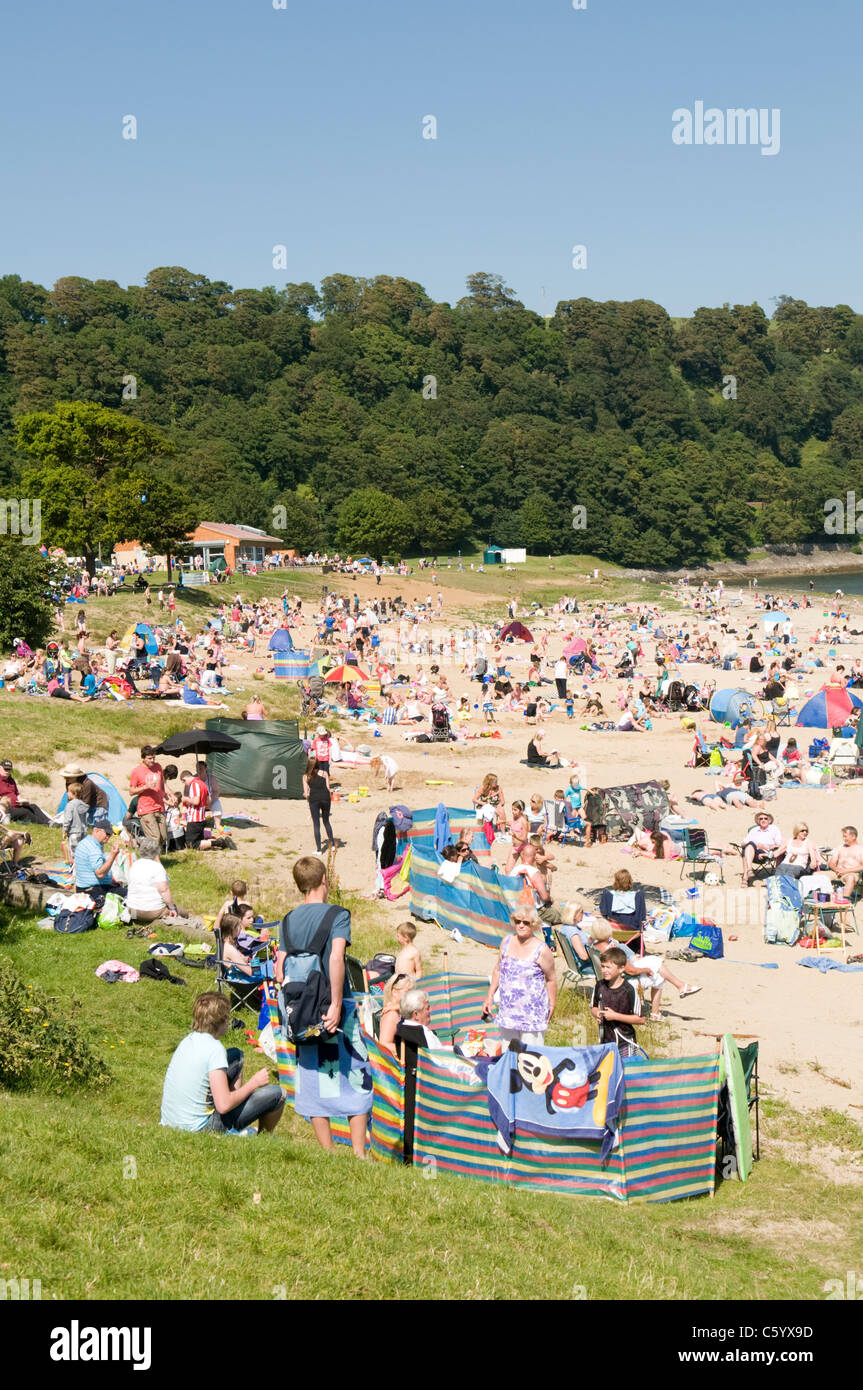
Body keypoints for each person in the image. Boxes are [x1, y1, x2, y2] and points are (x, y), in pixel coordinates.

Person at [274, 856, 372, 1157]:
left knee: (313, 1077)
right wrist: (336, 1003)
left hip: (302, 1012)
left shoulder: (288, 920)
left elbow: (280, 969)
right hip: (334, 1005)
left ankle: (328, 1154)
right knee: (355, 1072)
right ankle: (358, 1155)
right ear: (324, 881)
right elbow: (336, 958)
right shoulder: (337, 915)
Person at [160, 991, 284, 1135]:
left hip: (171, 1122)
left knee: (236, 1055)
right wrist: (253, 1083)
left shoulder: (188, 1040)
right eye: (227, 1017)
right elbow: (223, 1105)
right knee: (278, 1093)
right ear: (220, 1021)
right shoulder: (215, 1049)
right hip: (200, 1129)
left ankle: (236, 1105)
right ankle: (263, 1137)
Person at [589, 921, 701, 1021]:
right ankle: (658, 1009)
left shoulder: (593, 946)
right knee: (658, 974)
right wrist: (646, 969)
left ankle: (679, 988)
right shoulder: (611, 950)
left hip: (607, 978)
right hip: (622, 981)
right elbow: (630, 971)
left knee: (655, 966)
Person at [483, 909, 556, 1046]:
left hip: (532, 1015)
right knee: (509, 1055)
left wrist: (552, 1004)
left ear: (533, 925)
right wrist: (490, 996)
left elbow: (551, 979)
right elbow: (498, 969)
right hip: (508, 1012)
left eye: (526, 922)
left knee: (530, 1058)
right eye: (517, 922)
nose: (521, 925)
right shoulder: (506, 942)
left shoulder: (542, 950)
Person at [591, 948, 644, 1050]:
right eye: (602, 966)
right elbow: (593, 1007)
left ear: (621, 969)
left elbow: (641, 1019)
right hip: (604, 1042)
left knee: (625, 1066)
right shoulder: (600, 985)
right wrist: (597, 1013)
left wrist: (615, 1016)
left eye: (608, 967)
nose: (604, 970)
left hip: (625, 1042)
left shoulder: (629, 990)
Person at [125, 837, 187, 922]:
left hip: (132, 911)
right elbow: (163, 890)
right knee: (181, 911)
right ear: (157, 851)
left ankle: (137, 920)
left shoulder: (134, 865)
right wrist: (172, 907)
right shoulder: (157, 867)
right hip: (150, 912)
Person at [73, 819, 127, 898]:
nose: (108, 837)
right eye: (107, 833)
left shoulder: (85, 842)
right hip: (93, 890)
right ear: (97, 831)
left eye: (110, 835)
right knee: (130, 894)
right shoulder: (93, 848)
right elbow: (100, 874)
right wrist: (113, 856)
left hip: (83, 888)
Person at [512, 844, 563, 926]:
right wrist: (550, 899)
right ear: (534, 857)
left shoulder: (514, 871)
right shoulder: (533, 872)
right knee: (561, 918)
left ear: (522, 855)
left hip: (517, 908)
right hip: (534, 910)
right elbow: (544, 897)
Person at [128, 746, 167, 848]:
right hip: (146, 808)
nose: (152, 760)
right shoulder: (137, 771)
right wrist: (145, 787)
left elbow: (162, 784)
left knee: (163, 837)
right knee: (155, 838)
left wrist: (169, 795)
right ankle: (152, 860)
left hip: (159, 806)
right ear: (143, 758)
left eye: (154, 758)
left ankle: (142, 846)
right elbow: (131, 791)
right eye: (150, 758)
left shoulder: (158, 767)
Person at [741, 812, 786, 887]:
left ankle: (745, 878)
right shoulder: (754, 830)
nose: (763, 820)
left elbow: (779, 844)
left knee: (746, 851)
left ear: (769, 820)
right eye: (761, 819)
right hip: (752, 853)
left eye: (765, 818)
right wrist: (753, 845)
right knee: (748, 846)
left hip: (766, 854)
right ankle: (749, 870)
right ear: (758, 821)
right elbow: (743, 843)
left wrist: (765, 847)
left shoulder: (774, 829)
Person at [0, 759, 51, 825]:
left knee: (33, 806)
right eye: (5, 769)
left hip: (16, 805)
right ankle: (45, 824)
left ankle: (49, 821)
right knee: (25, 811)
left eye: (9, 770)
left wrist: (22, 800)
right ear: (0, 768)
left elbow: (17, 794)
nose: (7, 772)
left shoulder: (11, 780)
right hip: (6, 809)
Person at [598, 869, 647, 935]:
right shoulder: (638, 896)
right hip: (632, 934)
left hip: (613, 932)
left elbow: (603, 914)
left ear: (616, 881)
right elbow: (643, 917)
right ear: (630, 881)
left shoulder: (608, 895)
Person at [303, 756, 334, 854]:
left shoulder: (306, 776)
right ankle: (332, 845)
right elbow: (328, 788)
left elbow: (306, 793)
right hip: (325, 798)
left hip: (314, 799)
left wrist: (308, 800)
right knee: (326, 821)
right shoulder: (324, 773)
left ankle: (319, 850)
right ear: (318, 763)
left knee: (316, 824)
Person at [378, 973, 412, 1050]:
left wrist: (400, 1007)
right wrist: (409, 1051)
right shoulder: (391, 1014)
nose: (412, 995)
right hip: (400, 1059)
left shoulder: (399, 1010)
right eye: (408, 991)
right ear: (394, 992)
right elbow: (385, 1044)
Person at [828, 825, 863, 896]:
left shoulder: (860, 850)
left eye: (845, 836)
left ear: (853, 837)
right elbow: (832, 863)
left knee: (850, 878)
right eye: (843, 836)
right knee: (817, 874)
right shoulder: (840, 847)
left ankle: (843, 902)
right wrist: (836, 869)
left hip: (851, 873)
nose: (843, 839)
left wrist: (845, 871)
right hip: (836, 872)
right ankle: (821, 900)